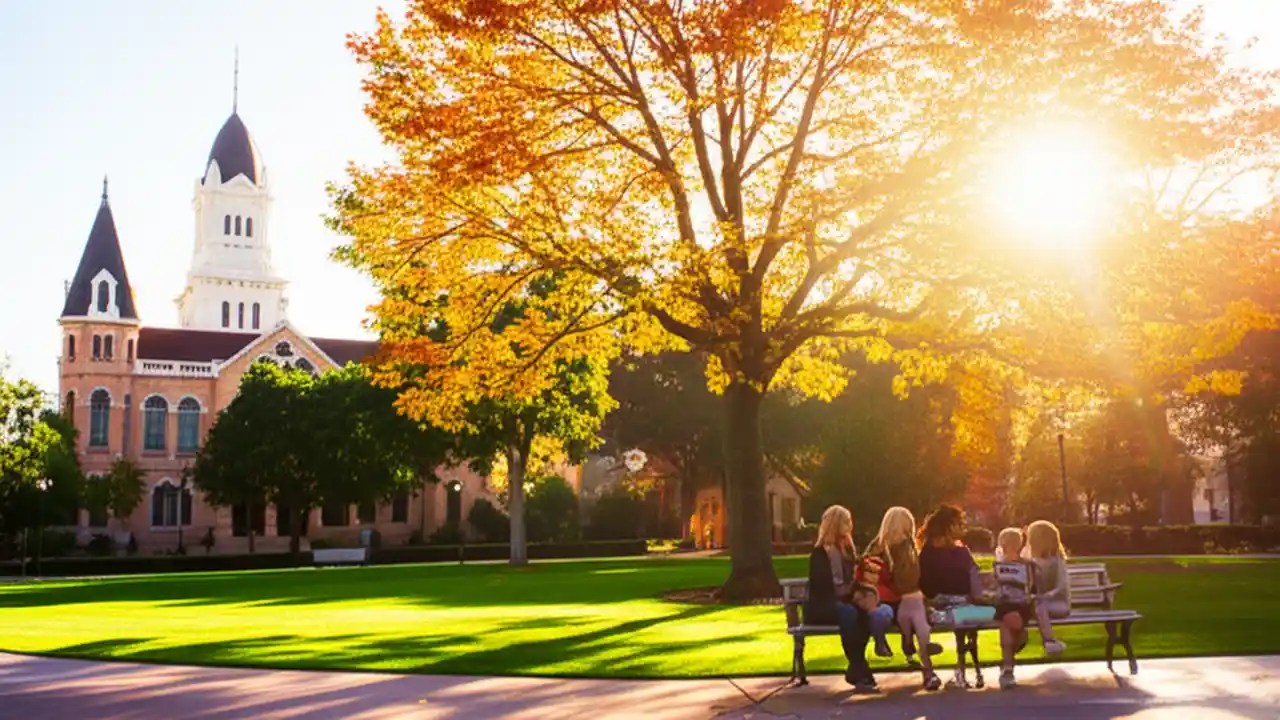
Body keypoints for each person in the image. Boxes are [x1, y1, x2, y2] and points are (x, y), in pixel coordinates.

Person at [864, 506, 942, 691]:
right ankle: (919, 657)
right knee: (917, 621)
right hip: (892, 601)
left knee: (921, 626)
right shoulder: (881, 548)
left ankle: (923, 663)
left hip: (909, 600)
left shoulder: (909, 546)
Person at [806, 505, 878, 691]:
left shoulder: (848, 550)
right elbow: (822, 587)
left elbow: (853, 580)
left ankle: (856, 668)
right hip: (824, 606)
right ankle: (860, 667)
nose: (850, 525)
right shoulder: (820, 553)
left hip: (845, 602)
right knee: (848, 613)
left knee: (863, 612)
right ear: (836, 523)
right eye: (846, 521)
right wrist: (848, 593)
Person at [993, 527, 1035, 689]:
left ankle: (1007, 667)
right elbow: (995, 585)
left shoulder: (1027, 564)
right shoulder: (998, 564)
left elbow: (1031, 586)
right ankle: (1008, 669)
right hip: (1004, 603)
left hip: (1021, 603)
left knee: (1007, 624)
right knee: (1008, 621)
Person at [1028, 520, 1071, 656]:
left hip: (1059, 604)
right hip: (1037, 604)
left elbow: (1062, 585)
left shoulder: (1058, 561)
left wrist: (1048, 595)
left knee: (1040, 606)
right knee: (1037, 605)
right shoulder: (1030, 561)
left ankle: (1049, 641)